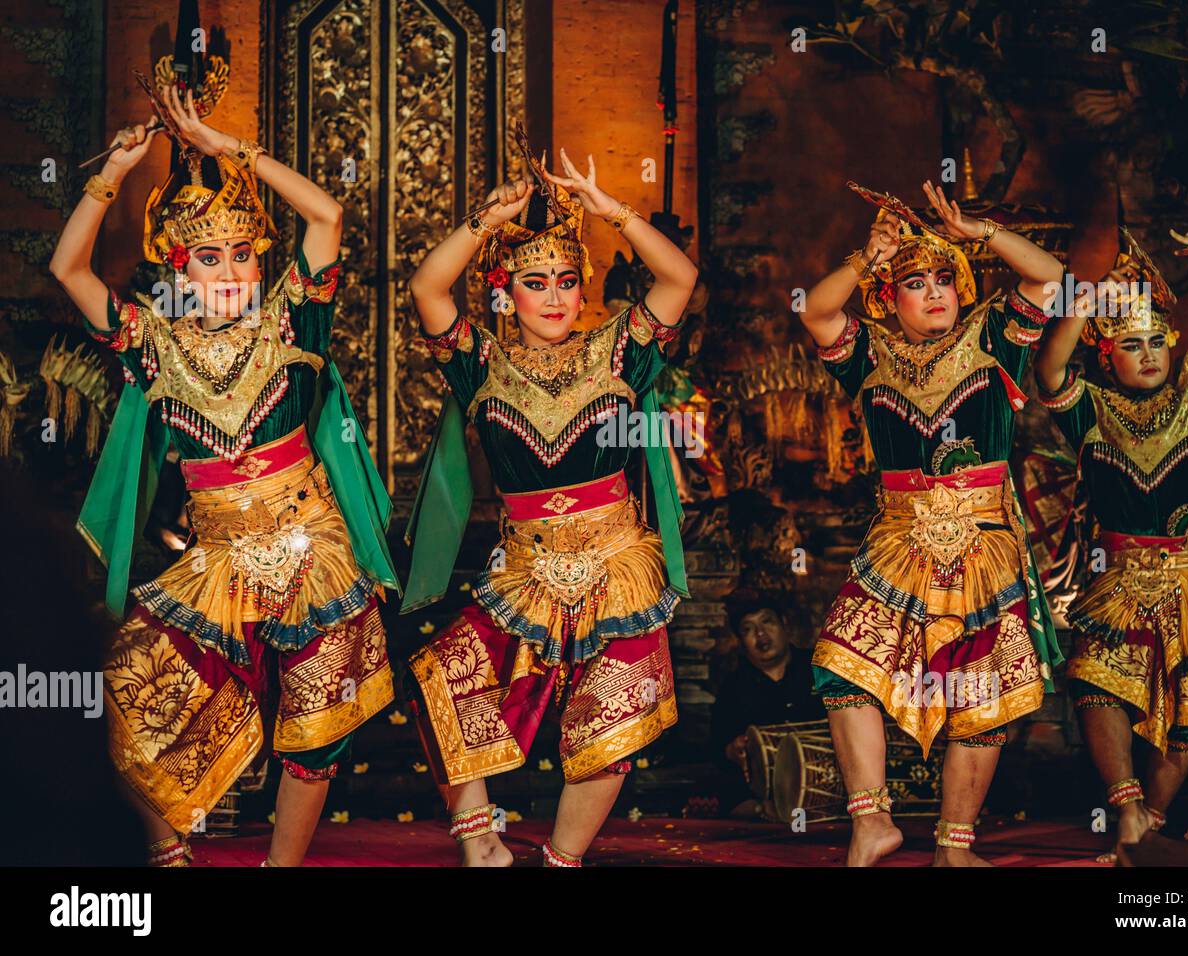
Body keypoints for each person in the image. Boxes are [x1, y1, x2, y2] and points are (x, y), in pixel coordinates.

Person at [49, 80, 398, 867]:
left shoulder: (291, 318)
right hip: (214, 562)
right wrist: (113, 177)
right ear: (178, 266)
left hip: (312, 548)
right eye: (210, 258)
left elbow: (327, 217)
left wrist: (222, 146)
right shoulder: (152, 341)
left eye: (242, 254)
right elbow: (67, 267)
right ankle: (168, 853)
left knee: (313, 735)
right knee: (114, 697)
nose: (231, 270)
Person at [402, 138, 697, 867]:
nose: (557, 295)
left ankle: (561, 862)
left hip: (618, 568)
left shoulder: (621, 349)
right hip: (527, 571)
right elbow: (427, 291)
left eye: (568, 279)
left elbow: (680, 278)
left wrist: (610, 210)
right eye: (537, 282)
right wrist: (481, 220)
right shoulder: (481, 363)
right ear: (508, 291)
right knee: (447, 676)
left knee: (611, 720)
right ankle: (481, 846)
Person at [797, 182, 1063, 866]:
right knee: (843, 666)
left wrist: (978, 231)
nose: (936, 292)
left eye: (946, 278)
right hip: (897, 541)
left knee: (981, 691)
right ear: (891, 296)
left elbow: (1050, 275)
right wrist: (867, 257)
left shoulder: (997, 340)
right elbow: (816, 309)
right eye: (916, 282)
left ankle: (954, 845)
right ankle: (871, 823)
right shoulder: (868, 354)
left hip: (983, 542)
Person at [1034, 228, 1188, 846]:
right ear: (1108, 358)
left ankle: (1149, 824)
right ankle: (1125, 801)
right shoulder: (1091, 411)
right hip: (1123, 579)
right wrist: (1086, 302)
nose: (1150, 353)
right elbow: (1049, 368)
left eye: (1157, 341)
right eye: (1132, 345)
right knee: (1097, 676)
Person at [711, 590, 825, 818]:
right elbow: (717, 753)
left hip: (827, 787)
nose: (760, 634)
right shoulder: (732, 689)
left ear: (784, 624)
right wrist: (732, 750)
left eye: (767, 622)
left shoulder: (819, 668)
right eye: (748, 629)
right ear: (740, 641)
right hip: (768, 804)